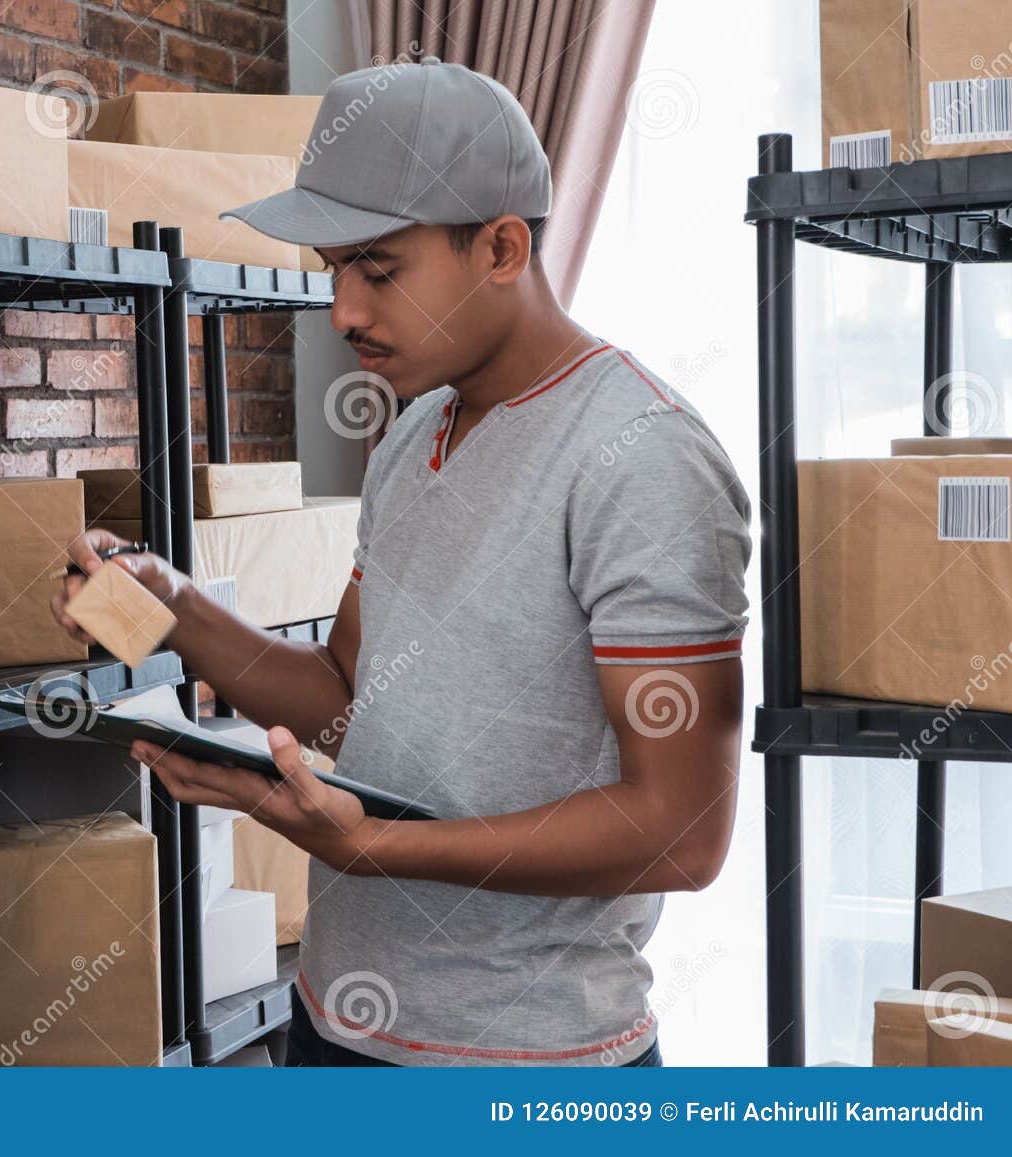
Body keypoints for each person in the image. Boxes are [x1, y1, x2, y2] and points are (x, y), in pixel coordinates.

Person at [52, 58, 750, 1068]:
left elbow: (680, 832)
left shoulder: (642, 457)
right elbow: (349, 699)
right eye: (334, 268)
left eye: (378, 269)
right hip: (334, 1025)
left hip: (528, 1063)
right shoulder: (412, 435)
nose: (342, 310)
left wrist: (376, 850)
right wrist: (169, 606)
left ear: (501, 246)